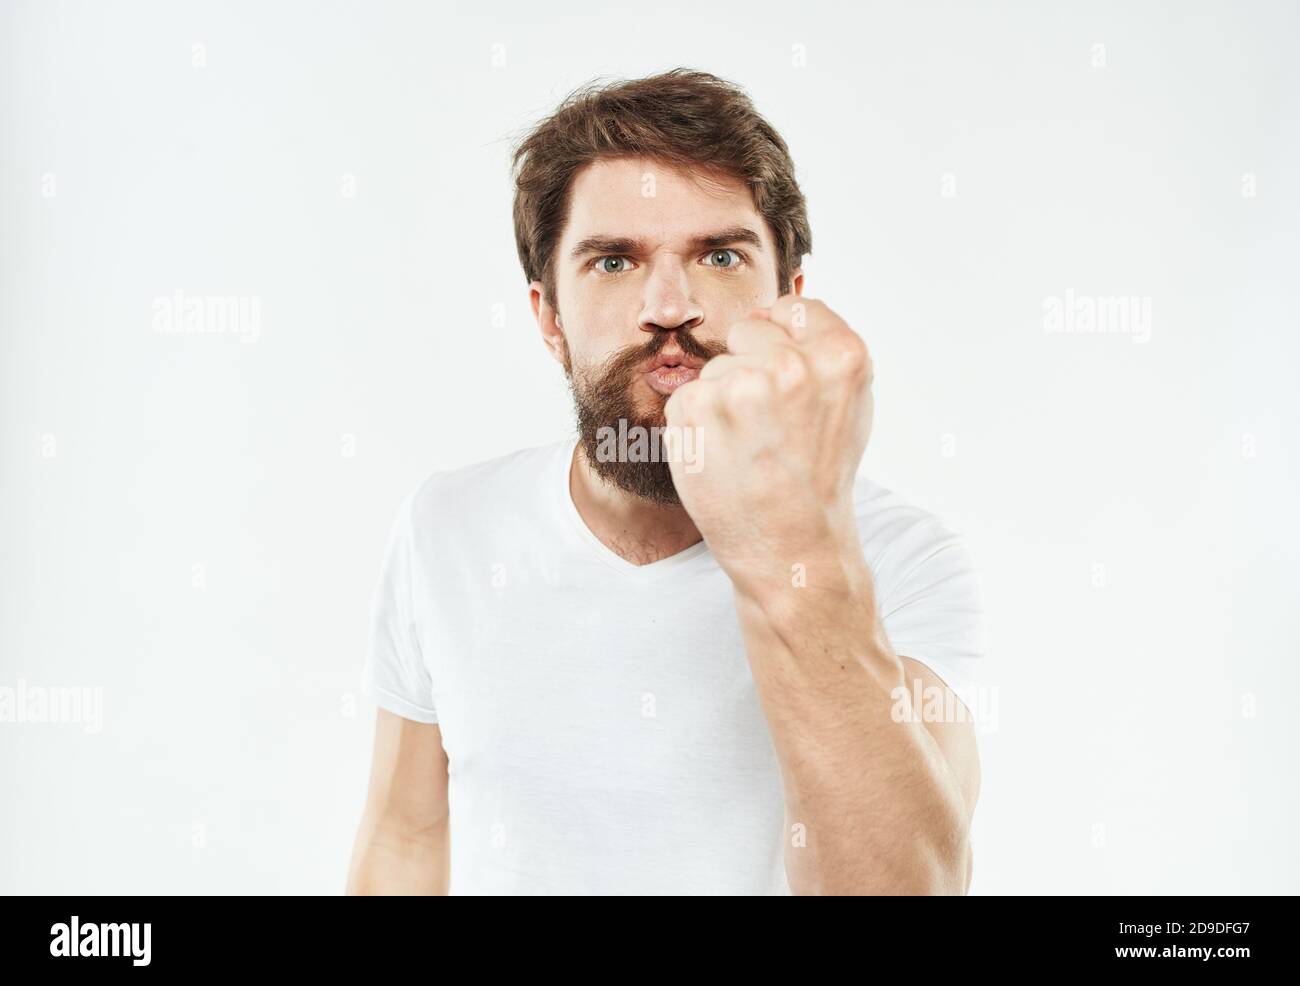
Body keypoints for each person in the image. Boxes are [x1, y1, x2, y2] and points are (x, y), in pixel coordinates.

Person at [346, 68, 985, 895]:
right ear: (548, 318)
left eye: (720, 256)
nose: (669, 306)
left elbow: (910, 889)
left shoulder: (902, 559)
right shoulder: (448, 526)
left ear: (791, 302)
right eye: (614, 261)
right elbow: (406, 836)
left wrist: (792, 541)